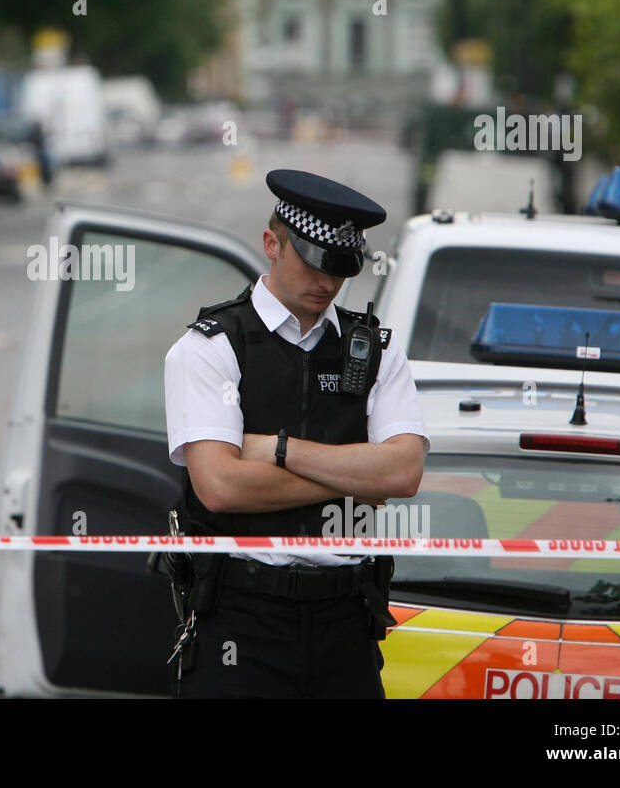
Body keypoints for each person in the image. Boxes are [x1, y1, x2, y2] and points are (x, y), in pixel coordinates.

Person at [162, 169, 428, 698]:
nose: (326, 281)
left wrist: (280, 451)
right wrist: (357, 478)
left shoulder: (374, 350)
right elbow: (220, 488)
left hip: (345, 623)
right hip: (241, 620)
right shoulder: (212, 347)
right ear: (272, 244)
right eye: (313, 260)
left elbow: (404, 472)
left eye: (341, 267)